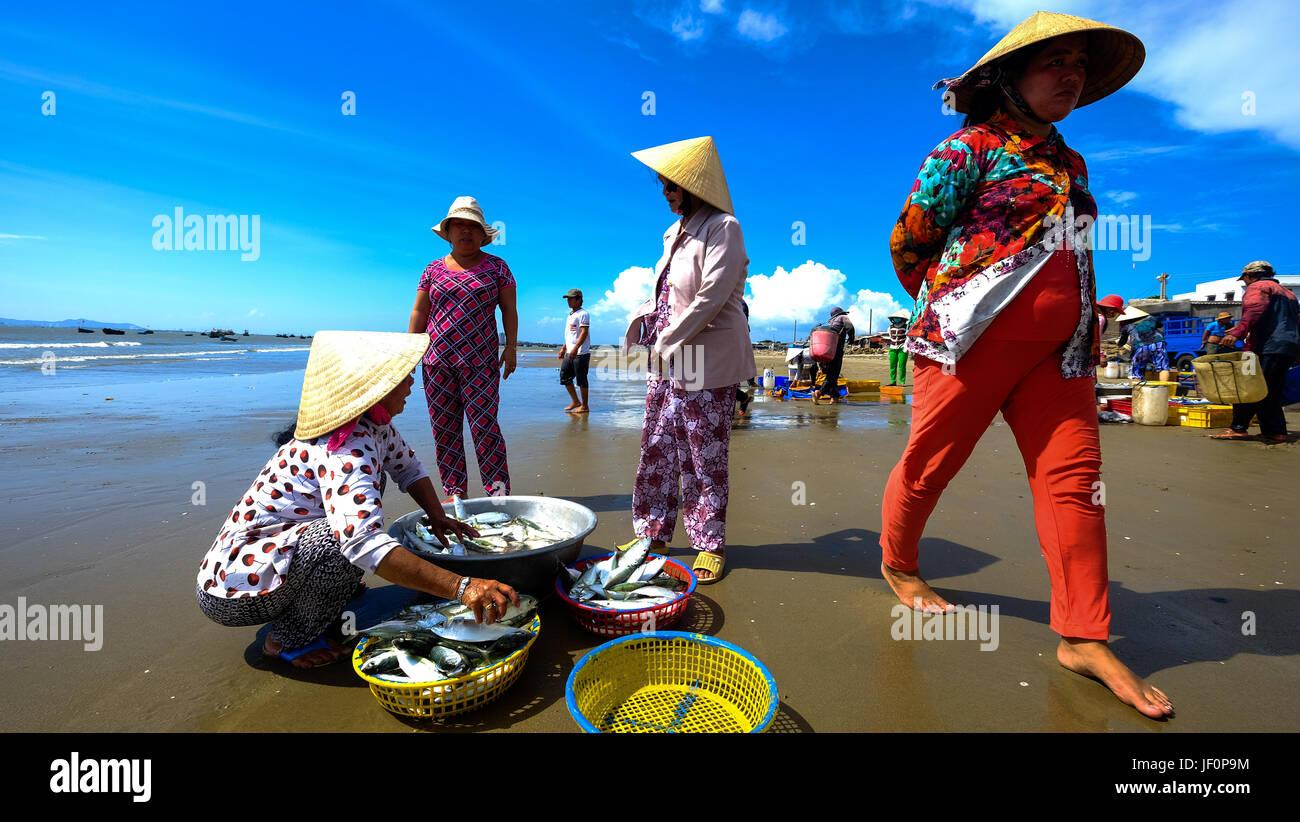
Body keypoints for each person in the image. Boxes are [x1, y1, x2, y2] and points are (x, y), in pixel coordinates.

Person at [882, 12, 1172, 718]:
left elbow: (1075, 254)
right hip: (966, 346)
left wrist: (1080, 323)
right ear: (1009, 78)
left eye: (1078, 64)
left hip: (1062, 355)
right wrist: (964, 308)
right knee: (932, 462)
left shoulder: (1071, 164)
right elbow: (910, 247)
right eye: (1054, 62)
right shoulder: (966, 151)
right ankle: (899, 564)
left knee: (1075, 484)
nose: (1069, 74)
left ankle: (1083, 635)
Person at [196, 331, 519, 669]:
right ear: (375, 389)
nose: (412, 383)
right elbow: (361, 542)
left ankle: (320, 594)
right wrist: (462, 587)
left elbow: (408, 468)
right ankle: (284, 640)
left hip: (270, 562)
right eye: (403, 377)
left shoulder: (375, 427)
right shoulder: (345, 446)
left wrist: (438, 516)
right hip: (234, 593)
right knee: (346, 541)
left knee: (356, 519)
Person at [624, 136, 755, 584]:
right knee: (657, 445)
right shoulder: (672, 232)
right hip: (667, 356)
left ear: (693, 186)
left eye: (671, 186)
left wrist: (666, 341)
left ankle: (708, 542)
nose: (665, 194)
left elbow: (711, 298)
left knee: (704, 450)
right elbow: (664, 288)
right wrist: (642, 317)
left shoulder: (724, 227)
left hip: (705, 352)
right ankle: (653, 533)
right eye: (662, 186)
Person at [409, 197, 517, 501]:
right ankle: (454, 494)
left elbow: (509, 309)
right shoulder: (432, 270)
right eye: (460, 225)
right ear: (448, 231)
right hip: (436, 361)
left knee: (485, 428)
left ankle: (498, 493)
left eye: (473, 227)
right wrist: (408, 351)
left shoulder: (498, 267)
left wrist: (511, 347)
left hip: (481, 363)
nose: (466, 232)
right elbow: (419, 312)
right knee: (445, 431)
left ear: (483, 234)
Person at [1211, 260, 1300, 443]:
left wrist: (1236, 333)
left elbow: (1254, 312)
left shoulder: (1257, 287)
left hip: (1268, 346)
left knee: (1249, 387)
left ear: (1250, 276)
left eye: (1244, 279)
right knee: (1271, 390)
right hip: (1287, 347)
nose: (1244, 283)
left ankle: (1238, 428)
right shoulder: (1289, 294)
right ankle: (1275, 431)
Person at [558, 288, 591, 413]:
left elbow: (584, 333)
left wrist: (576, 348)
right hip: (569, 351)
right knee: (564, 377)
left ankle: (585, 406)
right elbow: (571, 335)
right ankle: (576, 401)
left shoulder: (583, 314)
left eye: (571, 299)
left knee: (581, 379)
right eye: (568, 299)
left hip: (581, 353)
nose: (569, 301)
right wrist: (563, 348)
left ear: (579, 299)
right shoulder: (571, 315)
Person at [815, 307, 856, 401]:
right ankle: (819, 392)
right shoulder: (843, 317)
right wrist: (851, 338)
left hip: (826, 351)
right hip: (836, 350)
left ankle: (835, 397)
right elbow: (850, 327)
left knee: (831, 374)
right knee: (833, 374)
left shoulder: (830, 322)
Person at [1126, 315, 1171, 381]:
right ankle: (1163, 389)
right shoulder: (1151, 319)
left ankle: (1138, 390)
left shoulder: (1131, 326)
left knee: (1137, 371)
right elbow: (1160, 325)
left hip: (1141, 346)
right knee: (1163, 368)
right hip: (1157, 343)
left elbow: (1129, 343)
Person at [1095, 294, 1123, 364]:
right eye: (1115, 310)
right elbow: (1095, 337)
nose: (1114, 313)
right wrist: (1100, 356)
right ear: (1107, 307)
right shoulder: (1101, 318)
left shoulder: (1094, 314)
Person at [886, 310, 910, 385]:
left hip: (903, 348)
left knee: (902, 365)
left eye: (898, 318)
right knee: (892, 365)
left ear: (902, 319)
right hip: (893, 348)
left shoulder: (906, 327)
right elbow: (890, 337)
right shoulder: (890, 327)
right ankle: (893, 381)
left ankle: (902, 381)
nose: (896, 319)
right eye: (895, 318)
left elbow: (908, 337)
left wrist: (906, 347)